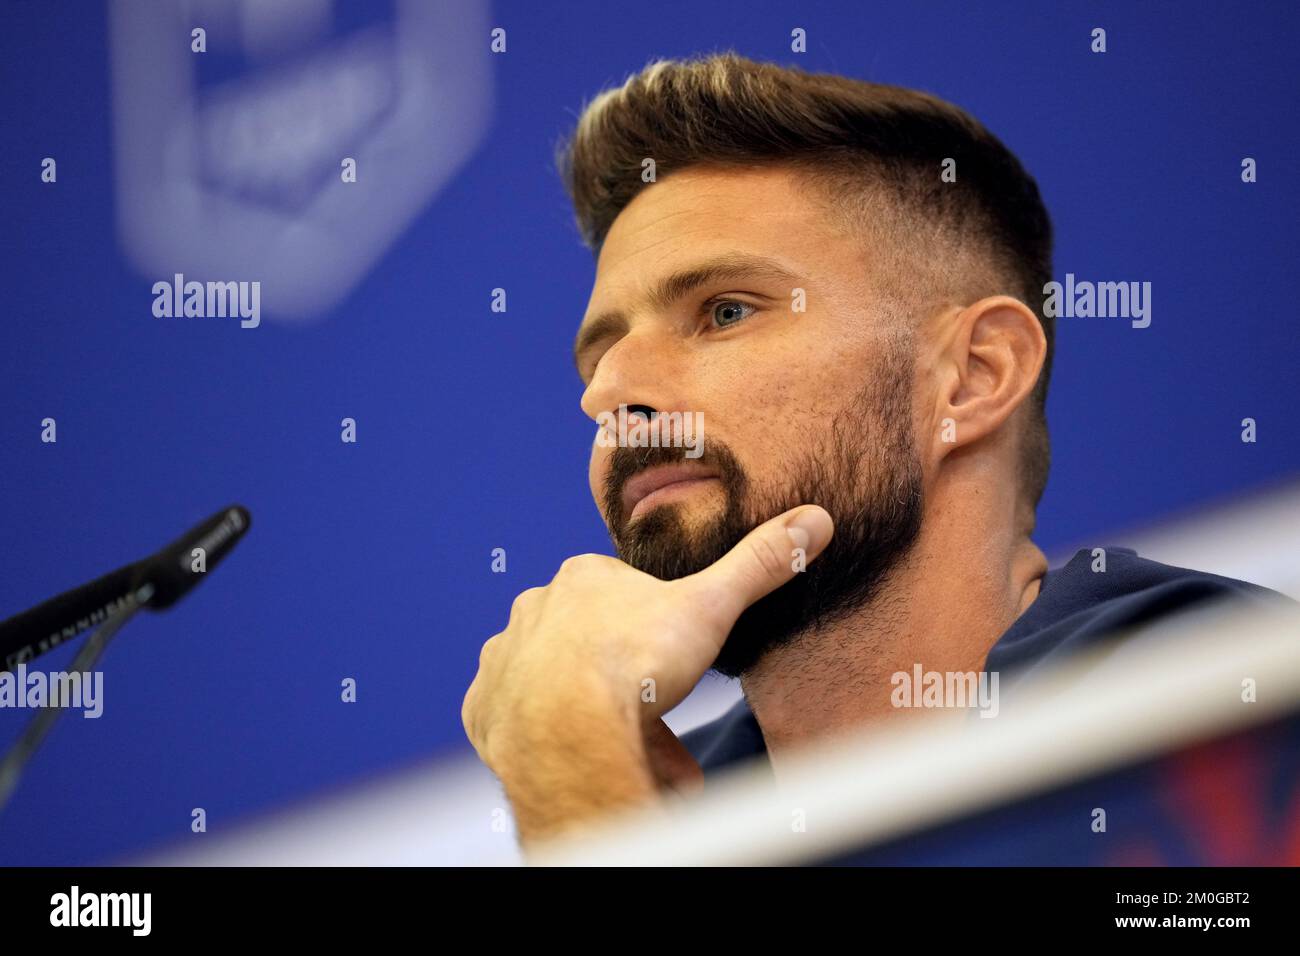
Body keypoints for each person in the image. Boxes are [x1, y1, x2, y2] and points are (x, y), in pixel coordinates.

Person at [461, 53, 1291, 846]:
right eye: (601, 357)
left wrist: (569, 764)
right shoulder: (668, 800)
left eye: (726, 312)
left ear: (973, 375)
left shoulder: (1225, 707)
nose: (609, 393)